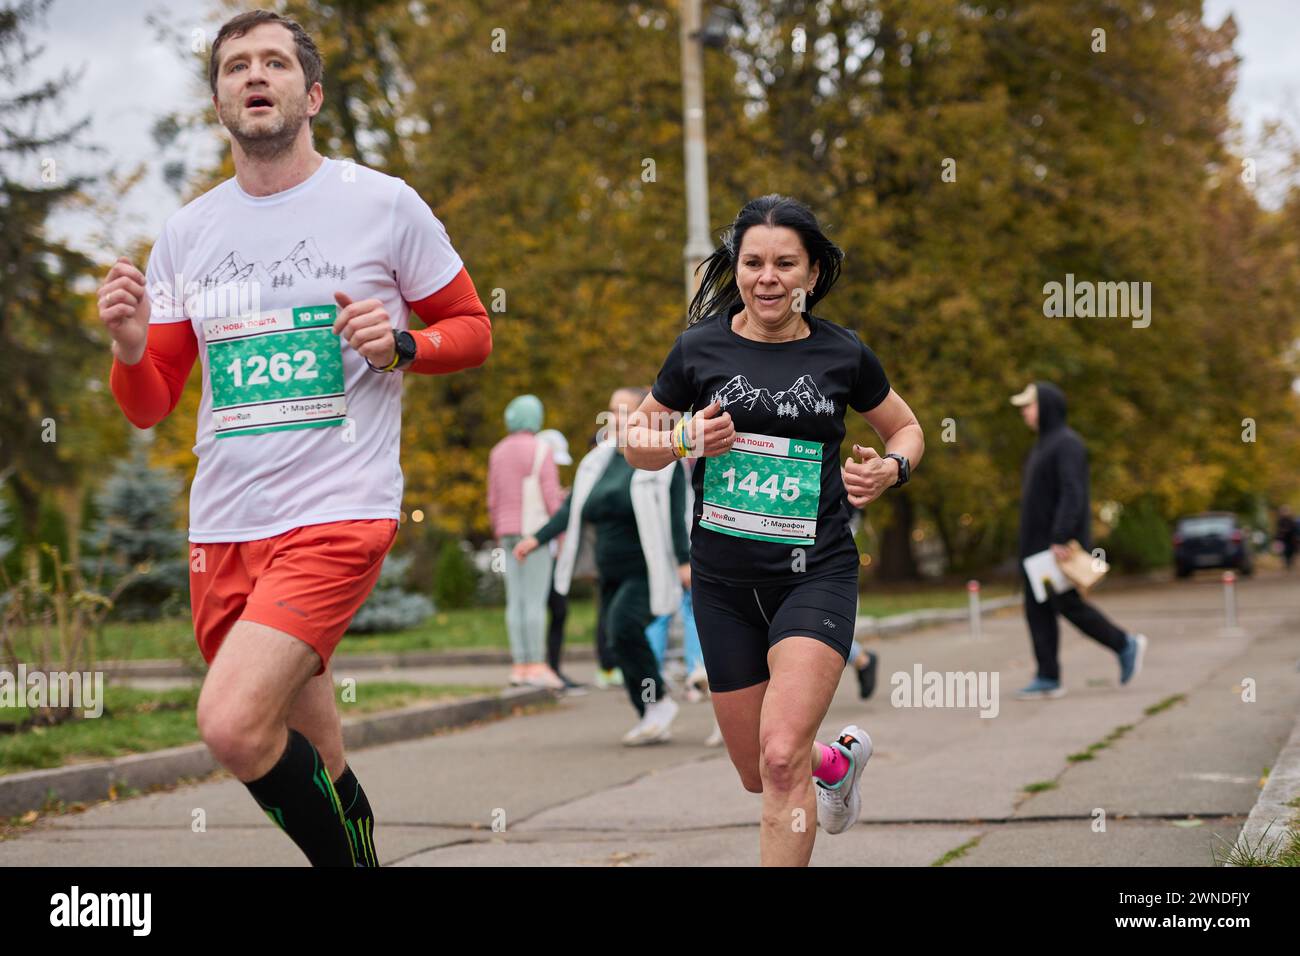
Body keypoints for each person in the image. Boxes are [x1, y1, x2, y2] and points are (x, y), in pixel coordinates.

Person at [98, 10, 490, 867]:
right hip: (226, 526)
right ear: (219, 102)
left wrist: (404, 345)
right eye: (236, 65)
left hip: (339, 511)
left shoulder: (381, 203)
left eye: (274, 62)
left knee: (232, 725)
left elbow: (472, 326)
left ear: (310, 94)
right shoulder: (188, 234)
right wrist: (130, 347)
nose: (254, 75)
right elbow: (149, 401)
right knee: (318, 753)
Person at [626, 194, 925, 866]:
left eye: (785, 263)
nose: (768, 277)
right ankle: (835, 765)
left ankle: (811, 762)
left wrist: (892, 469)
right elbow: (633, 440)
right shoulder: (697, 349)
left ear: (812, 273)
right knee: (759, 770)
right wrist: (685, 435)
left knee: (780, 757)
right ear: (736, 271)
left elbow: (905, 428)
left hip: (814, 573)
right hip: (723, 585)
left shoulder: (844, 354)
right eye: (753, 262)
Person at [513, 388, 690, 745]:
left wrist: (684, 561)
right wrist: (539, 537)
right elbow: (572, 507)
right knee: (613, 641)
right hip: (609, 570)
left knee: (624, 625)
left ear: (644, 416)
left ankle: (659, 702)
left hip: (645, 567)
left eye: (623, 411)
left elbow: (676, 515)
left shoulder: (660, 460)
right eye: (610, 411)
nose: (614, 418)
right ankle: (650, 712)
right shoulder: (597, 461)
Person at [1010, 382, 1146, 699]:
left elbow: (1074, 494)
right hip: (1036, 549)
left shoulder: (1067, 444)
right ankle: (1047, 676)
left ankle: (1124, 644)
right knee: (1038, 609)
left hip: (1053, 546)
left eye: (1029, 406)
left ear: (1046, 406)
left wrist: (1060, 536)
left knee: (1066, 605)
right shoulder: (1043, 445)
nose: (1024, 412)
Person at [487, 396, 565, 689]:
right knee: (534, 601)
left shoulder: (497, 452)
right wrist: (560, 534)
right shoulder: (541, 449)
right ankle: (536, 665)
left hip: (507, 532)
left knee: (515, 601)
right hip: (534, 533)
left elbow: (492, 499)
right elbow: (551, 496)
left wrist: (500, 530)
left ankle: (519, 665)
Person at [536, 428, 586, 692]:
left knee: (557, 611)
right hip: (546, 551)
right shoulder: (539, 468)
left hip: (551, 551)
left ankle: (551, 666)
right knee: (556, 610)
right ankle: (548, 667)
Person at [1275, 505, 1297, 571]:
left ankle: (1289, 563)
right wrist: (1278, 536)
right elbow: (1278, 529)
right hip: (1283, 539)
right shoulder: (1280, 520)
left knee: (1291, 551)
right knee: (1284, 552)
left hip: (1291, 539)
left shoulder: (1291, 520)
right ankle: (1286, 563)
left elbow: (1294, 529)